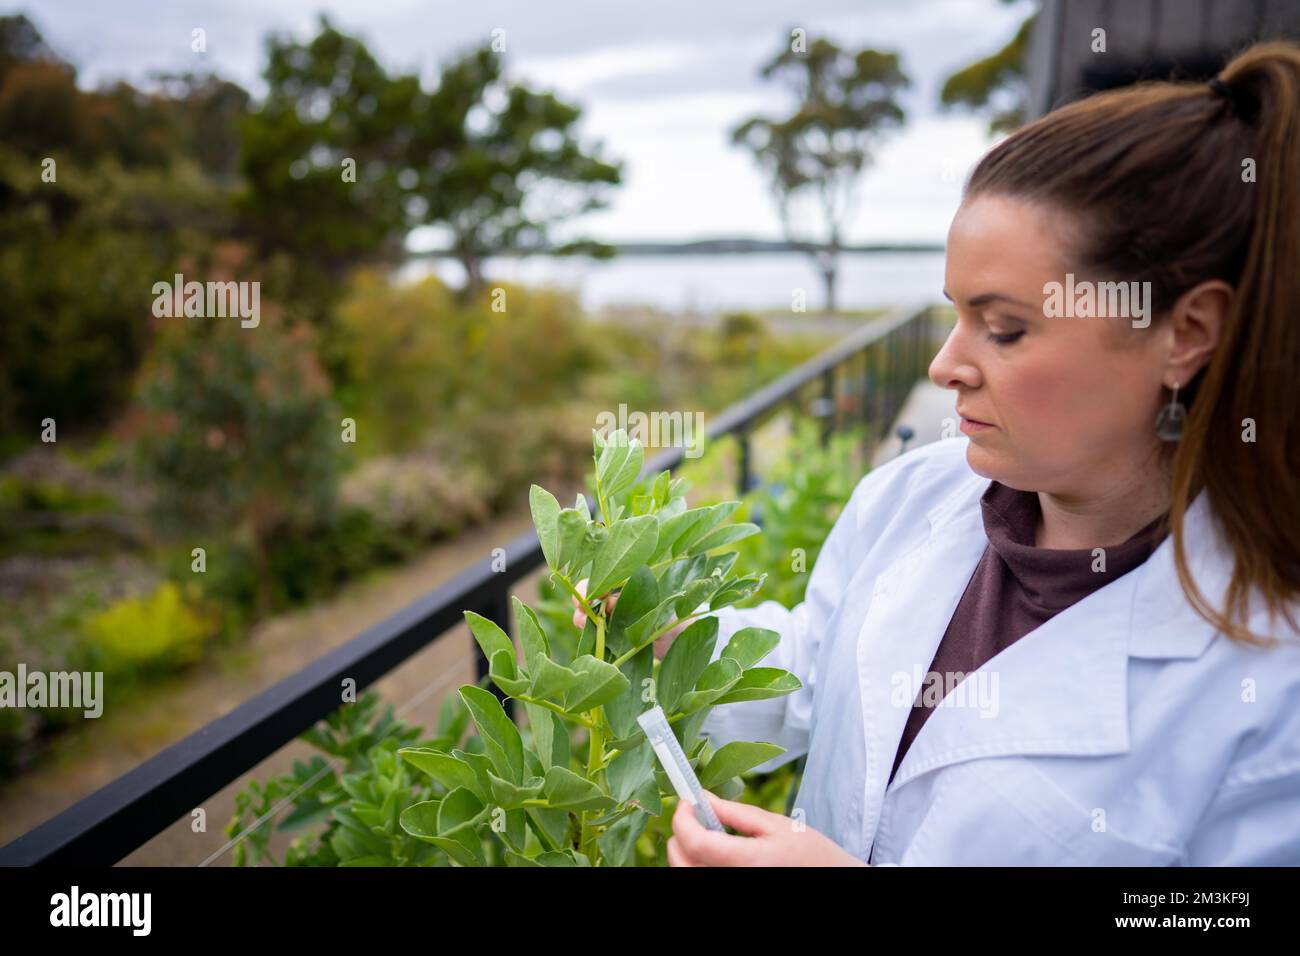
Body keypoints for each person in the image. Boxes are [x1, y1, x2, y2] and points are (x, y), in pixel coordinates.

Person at [583, 41, 1300, 865]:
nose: (944, 365)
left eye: (1004, 329)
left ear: (1187, 333)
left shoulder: (1270, 688)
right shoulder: (911, 499)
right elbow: (817, 675)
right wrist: (667, 633)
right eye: (953, 315)